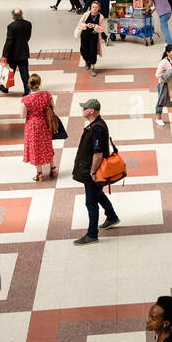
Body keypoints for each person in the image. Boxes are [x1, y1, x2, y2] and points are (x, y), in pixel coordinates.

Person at [72, 99, 120, 245]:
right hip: (91, 169)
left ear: (91, 111)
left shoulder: (97, 128)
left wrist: (92, 172)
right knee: (97, 193)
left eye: (84, 108)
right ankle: (111, 217)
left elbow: (98, 154)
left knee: (91, 202)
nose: (82, 110)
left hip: (92, 170)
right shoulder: (96, 125)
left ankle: (92, 234)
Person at [22, 73, 57, 181]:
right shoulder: (46, 95)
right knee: (47, 145)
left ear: (29, 85)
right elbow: (53, 107)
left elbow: (23, 115)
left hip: (32, 126)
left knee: (35, 149)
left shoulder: (26, 100)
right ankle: (53, 168)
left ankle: (39, 173)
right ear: (39, 83)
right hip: (45, 123)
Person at [0, 8, 32, 95]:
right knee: (25, 72)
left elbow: (9, 41)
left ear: (13, 16)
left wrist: (4, 54)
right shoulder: (28, 24)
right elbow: (28, 37)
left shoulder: (11, 26)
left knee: (10, 71)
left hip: (13, 54)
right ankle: (27, 90)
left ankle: (5, 87)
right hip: (23, 52)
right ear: (21, 14)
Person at [76, 0, 107, 78]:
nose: (94, 9)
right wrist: (86, 25)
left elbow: (102, 28)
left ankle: (92, 67)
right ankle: (87, 61)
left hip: (94, 36)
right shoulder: (86, 14)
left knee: (93, 51)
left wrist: (95, 26)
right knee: (83, 50)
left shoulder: (101, 17)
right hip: (85, 35)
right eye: (93, 7)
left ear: (98, 8)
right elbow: (79, 24)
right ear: (91, 7)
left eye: (96, 7)